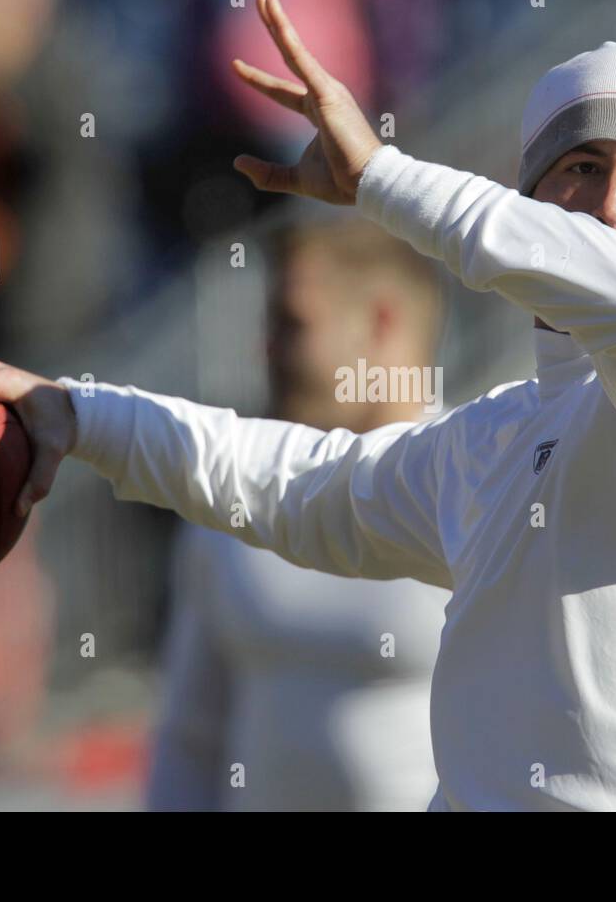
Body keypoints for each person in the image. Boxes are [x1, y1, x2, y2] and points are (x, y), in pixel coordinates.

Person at [0, 0, 616, 810]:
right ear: (530, 201)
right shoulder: (497, 440)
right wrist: (75, 413)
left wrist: (381, 179)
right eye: (580, 168)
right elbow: (302, 480)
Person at [146, 219, 449, 811]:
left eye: (292, 324)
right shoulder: (234, 487)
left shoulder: (478, 486)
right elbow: (190, 735)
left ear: (383, 321)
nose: (267, 350)